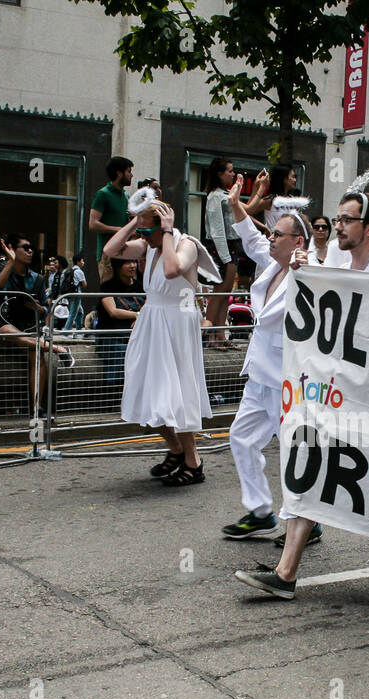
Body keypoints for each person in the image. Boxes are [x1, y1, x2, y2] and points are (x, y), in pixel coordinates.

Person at [234, 187, 369, 598]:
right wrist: (304, 271)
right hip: (334, 392)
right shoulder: (338, 261)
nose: (337, 227)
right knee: (310, 462)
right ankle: (286, 573)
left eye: (346, 220)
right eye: (337, 220)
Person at [218, 173, 311, 541]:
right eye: (271, 235)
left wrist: (310, 267)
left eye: (278, 235)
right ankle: (260, 511)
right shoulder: (273, 264)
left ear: (297, 241)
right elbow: (251, 238)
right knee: (240, 437)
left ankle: (306, 518)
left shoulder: (310, 271)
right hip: (259, 373)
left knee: (294, 453)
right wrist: (235, 205)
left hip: (289, 381)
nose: (270, 239)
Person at [103, 192, 217, 486]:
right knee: (146, 392)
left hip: (177, 322)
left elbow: (172, 269)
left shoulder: (185, 244)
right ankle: (177, 451)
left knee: (176, 395)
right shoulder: (148, 245)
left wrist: (165, 231)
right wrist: (135, 222)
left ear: (163, 225)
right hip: (152, 321)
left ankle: (194, 463)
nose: (142, 236)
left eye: (146, 229)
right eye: (140, 230)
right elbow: (111, 250)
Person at [0, 233, 72, 420]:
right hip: (3, 332)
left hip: (28, 332)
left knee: (37, 351)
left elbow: (45, 310)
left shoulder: (37, 279)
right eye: (25, 248)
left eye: (31, 247)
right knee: (5, 329)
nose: (30, 251)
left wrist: (36, 306)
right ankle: (57, 348)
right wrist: (10, 261)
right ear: (12, 249)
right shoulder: (0, 272)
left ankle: (37, 407)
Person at [203, 157, 240, 350]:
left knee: (226, 294)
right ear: (219, 173)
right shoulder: (214, 197)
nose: (232, 174)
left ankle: (220, 334)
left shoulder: (225, 194)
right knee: (219, 293)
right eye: (229, 171)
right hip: (221, 247)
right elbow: (217, 230)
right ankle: (211, 336)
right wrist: (225, 257)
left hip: (231, 245)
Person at [95, 257, 143, 388]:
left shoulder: (141, 286)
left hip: (137, 335)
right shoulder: (107, 286)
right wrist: (138, 315)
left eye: (134, 262)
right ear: (117, 266)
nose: (132, 265)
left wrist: (140, 319)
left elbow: (149, 307)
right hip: (113, 336)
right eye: (127, 262)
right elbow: (113, 311)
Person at [89, 155, 134, 269]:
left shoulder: (126, 196)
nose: (131, 175)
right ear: (119, 173)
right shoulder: (102, 194)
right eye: (129, 171)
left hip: (124, 256)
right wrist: (118, 230)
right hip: (107, 257)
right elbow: (93, 224)